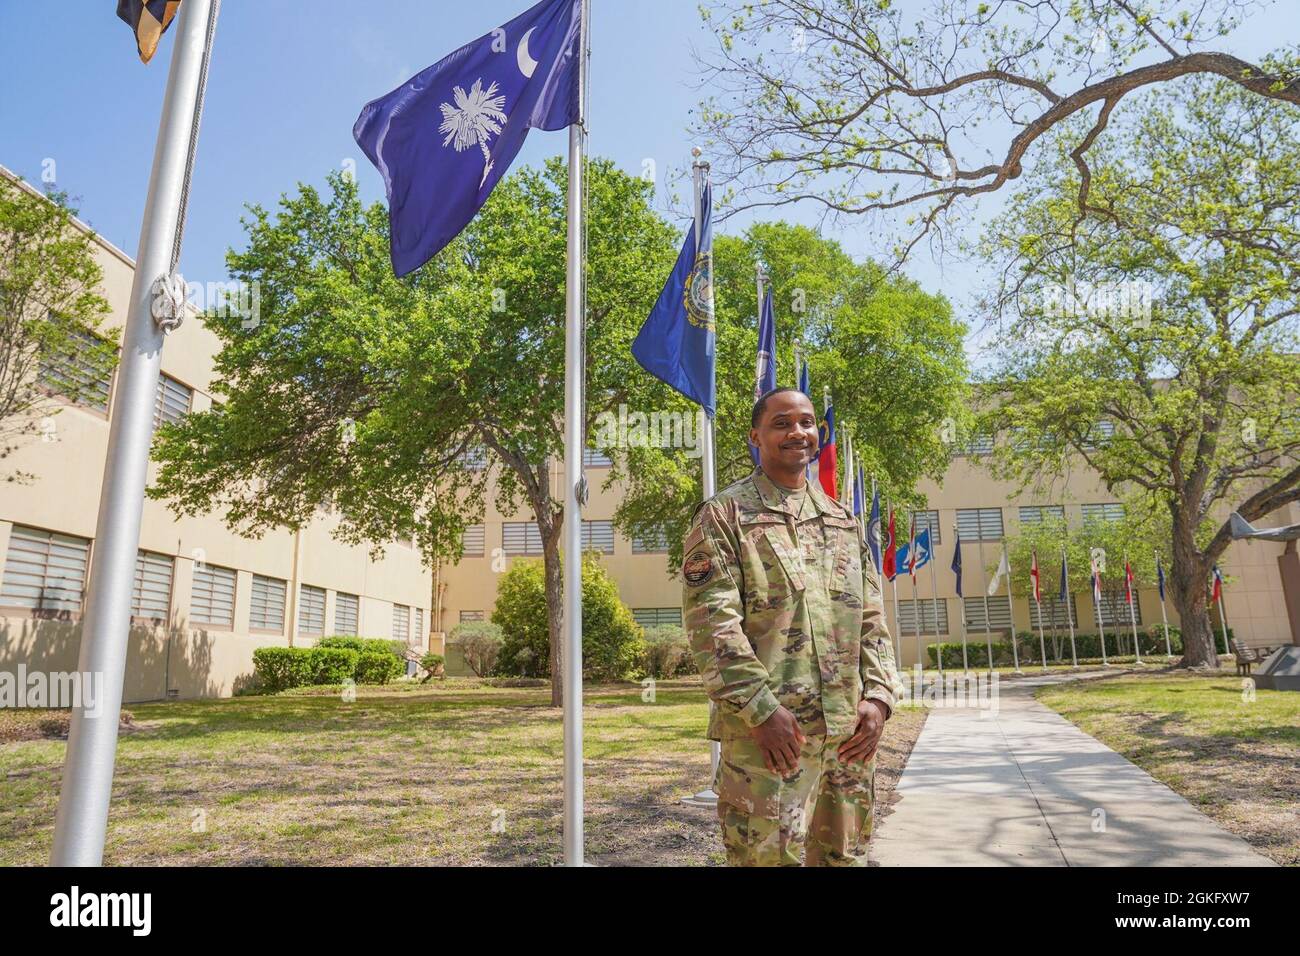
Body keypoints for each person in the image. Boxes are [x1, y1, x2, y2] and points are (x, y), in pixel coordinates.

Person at [682, 386, 904, 866]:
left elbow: (871, 619)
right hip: (768, 742)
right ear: (755, 436)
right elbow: (712, 624)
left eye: (806, 422)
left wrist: (880, 699)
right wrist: (761, 711)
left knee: (842, 858)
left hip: (847, 738)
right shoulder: (724, 516)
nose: (797, 432)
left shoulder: (844, 521)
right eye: (781, 423)